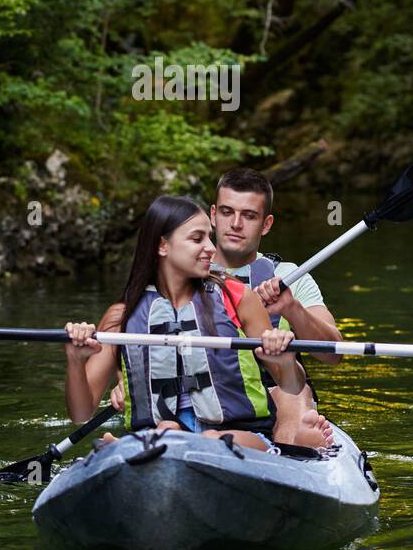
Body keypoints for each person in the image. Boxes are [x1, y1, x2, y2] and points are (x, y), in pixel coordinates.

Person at [64, 195, 330, 451]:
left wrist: (283, 359)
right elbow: (80, 412)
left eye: (209, 237)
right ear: (162, 246)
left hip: (239, 436)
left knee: (209, 437)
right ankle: (150, 445)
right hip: (161, 435)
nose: (212, 248)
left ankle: (137, 448)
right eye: (197, 238)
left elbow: (293, 385)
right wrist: (75, 360)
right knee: (167, 427)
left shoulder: (237, 297)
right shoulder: (122, 315)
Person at [211, 168, 342, 445]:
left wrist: (291, 308)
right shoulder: (187, 270)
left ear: (266, 224)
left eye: (249, 216)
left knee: (292, 394)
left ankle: (293, 447)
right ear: (213, 215)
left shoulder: (290, 275)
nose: (235, 224)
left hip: (277, 384)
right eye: (226, 212)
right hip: (209, 386)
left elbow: (333, 354)